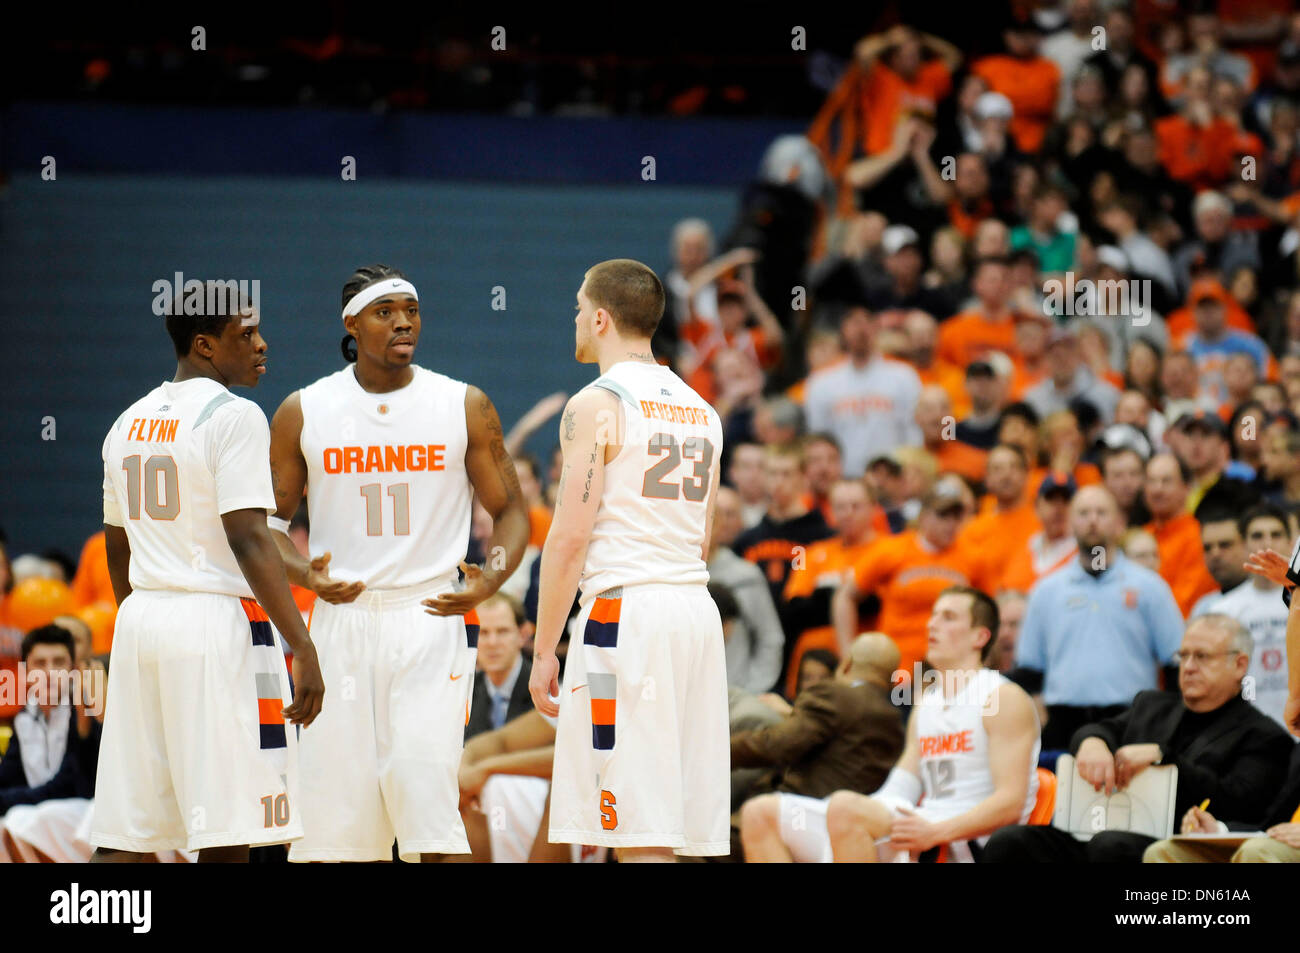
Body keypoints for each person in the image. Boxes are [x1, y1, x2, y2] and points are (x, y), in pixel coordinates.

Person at [268, 264, 530, 863]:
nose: (403, 321)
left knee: (429, 817)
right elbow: (267, 527)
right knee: (334, 839)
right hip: (341, 622)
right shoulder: (304, 409)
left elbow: (511, 511)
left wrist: (489, 577)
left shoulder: (461, 402)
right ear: (352, 325)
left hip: (429, 617)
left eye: (410, 309)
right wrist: (306, 573)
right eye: (385, 312)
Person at [91, 281, 325, 863]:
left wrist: (138, 618)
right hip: (213, 623)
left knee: (130, 832)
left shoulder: (125, 422)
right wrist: (304, 644)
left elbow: (116, 546)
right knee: (228, 828)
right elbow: (250, 539)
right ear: (205, 345)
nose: (262, 345)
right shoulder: (236, 416)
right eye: (245, 335)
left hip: (141, 621)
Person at [529, 258, 729, 861]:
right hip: (696, 615)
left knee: (637, 831)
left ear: (600, 317)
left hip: (627, 613)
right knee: (681, 829)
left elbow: (568, 539)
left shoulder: (596, 404)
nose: (574, 322)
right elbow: (704, 539)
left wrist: (543, 651)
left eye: (576, 310)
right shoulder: (703, 410)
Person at [985, 614, 1293, 863]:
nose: (1188, 667)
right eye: (1183, 656)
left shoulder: (1264, 735)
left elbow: (1238, 803)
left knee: (1111, 845)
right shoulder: (1152, 704)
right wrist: (1093, 744)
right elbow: (1098, 729)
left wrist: (1165, 758)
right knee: (1011, 840)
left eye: (1202, 657)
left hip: (1174, 842)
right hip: (1098, 829)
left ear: (1239, 665)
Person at [822, 588, 1040, 863]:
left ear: (980, 636)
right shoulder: (927, 702)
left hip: (971, 841)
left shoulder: (1002, 697)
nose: (931, 624)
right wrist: (843, 811)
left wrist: (935, 832)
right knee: (766, 812)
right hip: (927, 828)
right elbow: (900, 788)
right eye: (933, 615)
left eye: (948, 617)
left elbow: (1010, 804)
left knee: (845, 810)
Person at [1010, 486, 1185, 750]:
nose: (1092, 520)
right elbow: (1029, 670)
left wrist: (1166, 723)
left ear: (1118, 523)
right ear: (1070, 523)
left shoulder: (1150, 587)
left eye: (1101, 512)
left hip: (1131, 719)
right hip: (1062, 722)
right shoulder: (1045, 591)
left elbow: (1176, 662)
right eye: (1083, 513)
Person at [735, 633, 906, 862]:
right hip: (853, 832)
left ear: (847, 664)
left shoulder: (833, 693)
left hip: (798, 819)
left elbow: (777, 745)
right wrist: (792, 713)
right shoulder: (896, 721)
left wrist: (718, 750)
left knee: (696, 847)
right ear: (893, 680)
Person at [833, 480, 987, 680]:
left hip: (951, 671)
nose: (950, 524)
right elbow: (845, 596)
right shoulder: (893, 550)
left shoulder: (974, 558)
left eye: (956, 516)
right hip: (897, 670)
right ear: (923, 516)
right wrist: (848, 654)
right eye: (942, 515)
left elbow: (988, 614)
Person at [0, 626, 101, 863]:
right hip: (41, 808)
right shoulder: (25, 716)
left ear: (72, 669)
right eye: (40, 663)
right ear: (25, 672)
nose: (49, 672)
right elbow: (8, 775)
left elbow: (70, 785)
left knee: (27, 819)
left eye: (58, 663)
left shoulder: (85, 711)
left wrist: (4, 800)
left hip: (85, 809)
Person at [804, 300, 923, 477]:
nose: (861, 329)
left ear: (877, 326)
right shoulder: (821, 382)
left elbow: (914, 432)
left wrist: (910, 472)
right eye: (853, 322)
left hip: (892, 477)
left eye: (867, 320)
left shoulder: (904, 376)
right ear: (843, 330)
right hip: (843, 480)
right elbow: (818, 439)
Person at [1200, 506, 1292, 729]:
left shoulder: (1298, 602)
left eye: (1276, 534)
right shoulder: (1224, 610)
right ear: (1243, 545)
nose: (1267, 542)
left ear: (1291, 542)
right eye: (1257, 535)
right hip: (1249, 732)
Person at [1143, 453, 1220, 617]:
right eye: (1151, 481)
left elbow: (1184, 602)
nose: (1157, 489)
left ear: (1187, 487)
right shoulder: (1141, 536)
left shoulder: (1200, 537)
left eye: (1166, 481)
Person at [465, 594, 534, 740]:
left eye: (502, 631)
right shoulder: (464, 693)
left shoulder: (547, 692)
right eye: (483, 632)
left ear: (523, 634)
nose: (492, 642)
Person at [1190, 512, 1250, 616]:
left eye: (1225, 545)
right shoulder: (1203, 607)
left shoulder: (1276, 598)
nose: (1215, 554)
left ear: (1246, 546)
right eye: (1207, 548)